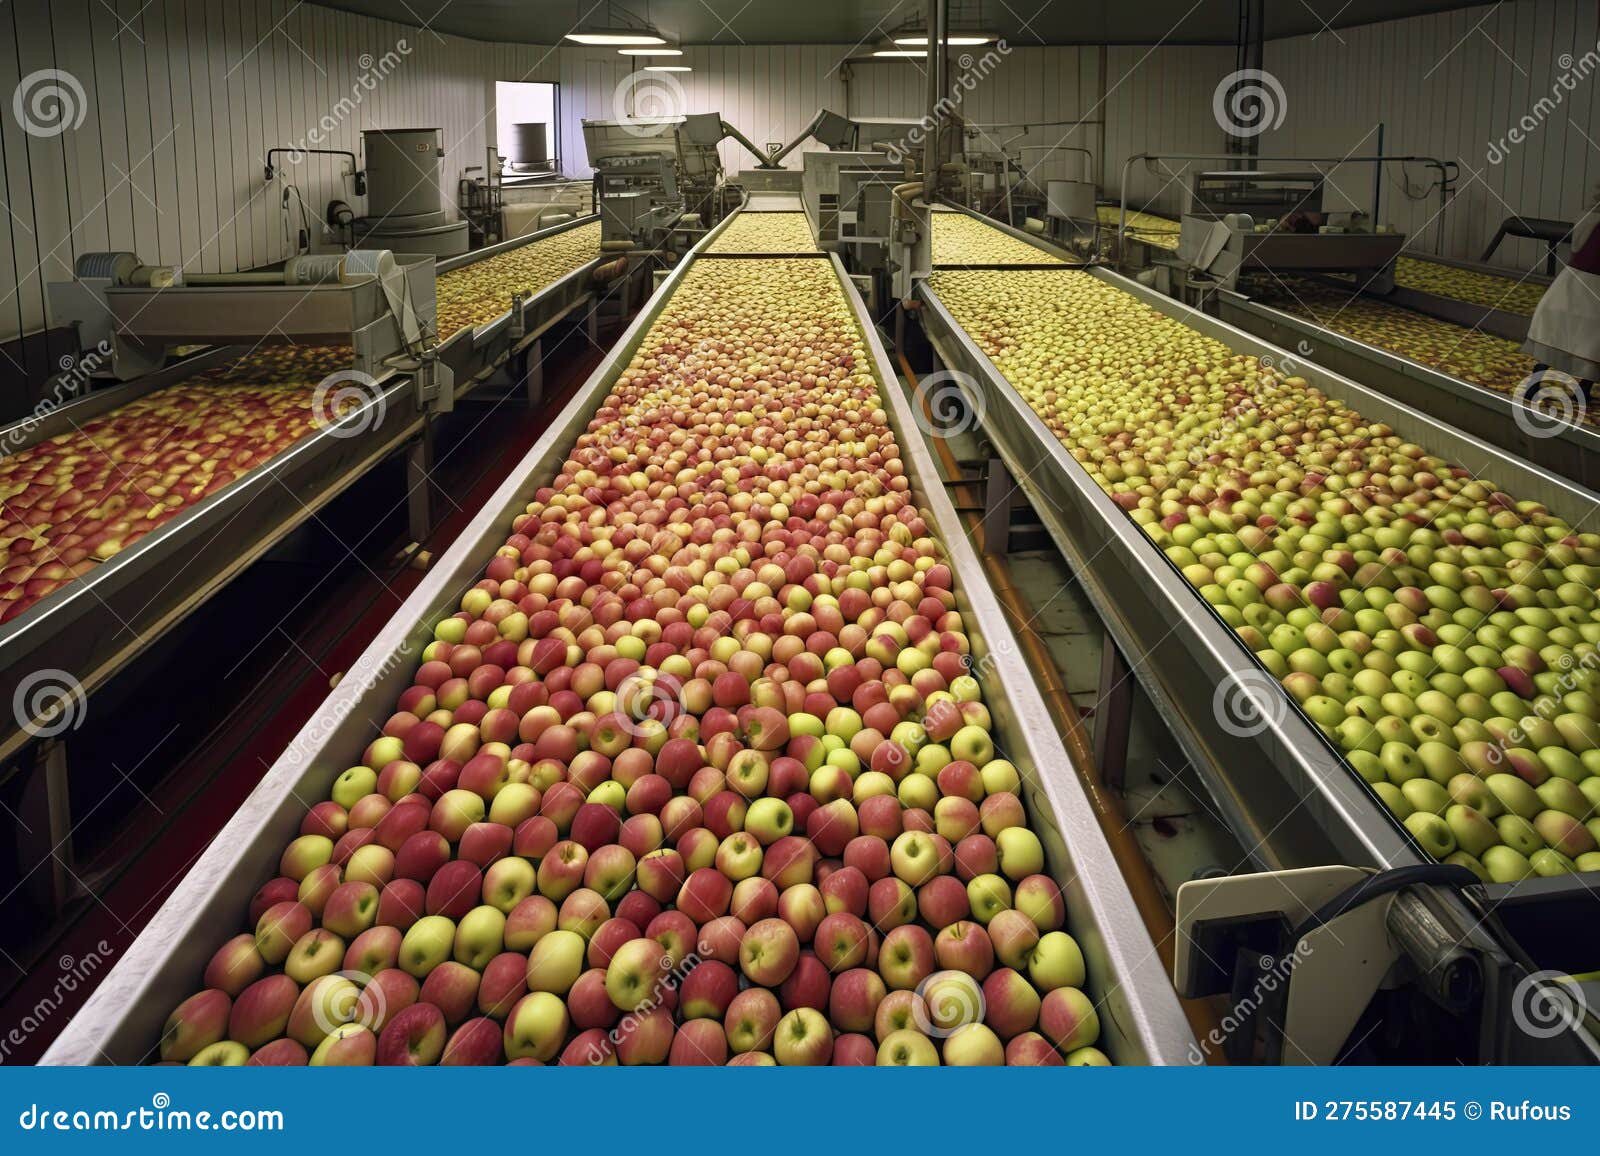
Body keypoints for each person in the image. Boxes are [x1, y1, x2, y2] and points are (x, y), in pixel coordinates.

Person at [1522, 193, 1600, 407]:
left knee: (1555, 335)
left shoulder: (1588, 216)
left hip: (1572, 281)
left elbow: (1577, 246)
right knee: (1594, 343)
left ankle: (1534, 384)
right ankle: (1583, 390)